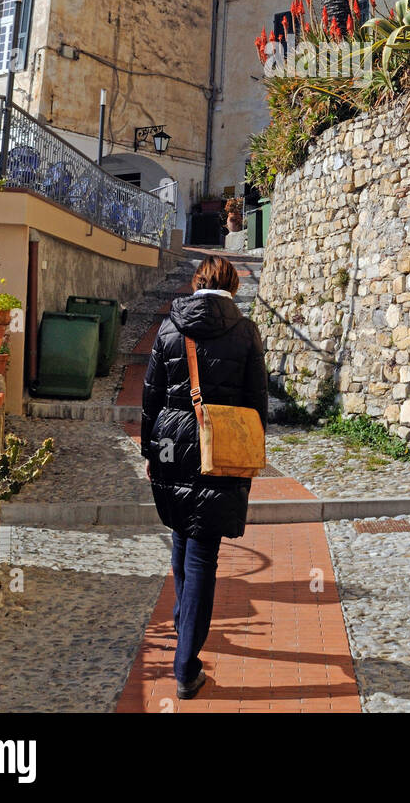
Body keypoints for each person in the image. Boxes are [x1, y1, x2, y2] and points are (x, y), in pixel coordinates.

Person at [141, 254, 267, 699]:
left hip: (172, 443)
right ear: (233, 285)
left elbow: (151, 393)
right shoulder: (246, 330)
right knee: (202, 557)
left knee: (180, 535)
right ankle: (185, 665)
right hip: (222, 451)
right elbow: (256, 401)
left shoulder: (171, 327)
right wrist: (252, 450)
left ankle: (183, 625)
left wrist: (148, 449)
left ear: (197, 282)